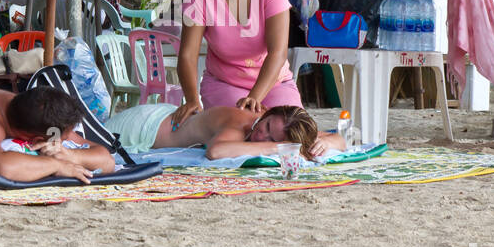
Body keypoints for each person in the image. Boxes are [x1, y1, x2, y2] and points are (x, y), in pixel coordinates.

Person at [171, 0, 300, 130]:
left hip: (274, 82)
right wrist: (192, 99)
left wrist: (255, 98)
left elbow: (278, 52)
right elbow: (187, 55)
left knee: (291, 130)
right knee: (243, 128)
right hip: (224, 84)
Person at [108, 102, 343, 160]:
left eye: (273, 138)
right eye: (267, 127)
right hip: (143, 128)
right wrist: (276, 147)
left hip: (169, 118)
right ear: (266, 113)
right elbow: (215, 152)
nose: (262, 136)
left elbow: (340, 139)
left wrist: (328, 143)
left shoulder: (283, 127)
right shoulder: (238, 123)